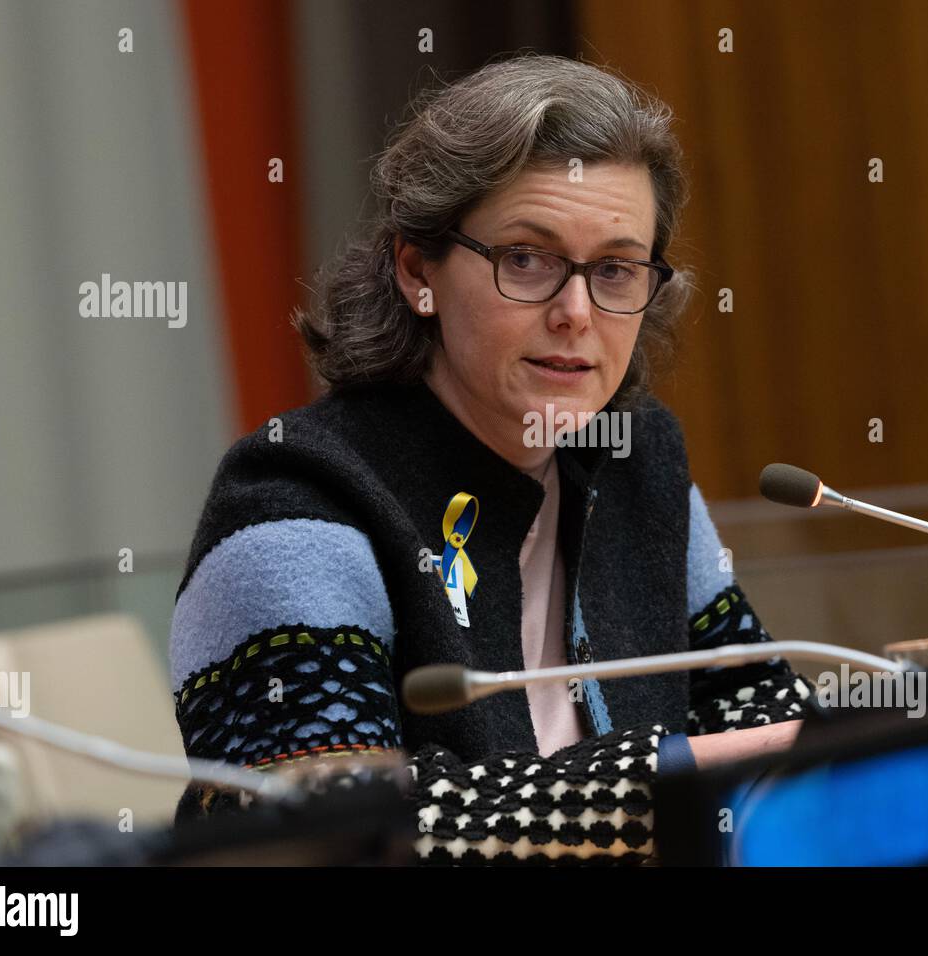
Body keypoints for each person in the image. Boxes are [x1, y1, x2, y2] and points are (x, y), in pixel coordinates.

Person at [168, 52, 817, 865]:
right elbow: (336, 836)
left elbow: (764, 721)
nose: (577, 313)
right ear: (418, 273)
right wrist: (676, 773)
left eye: (615, 269)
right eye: (528, 259)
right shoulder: (291, 502)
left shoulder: (634, 460)